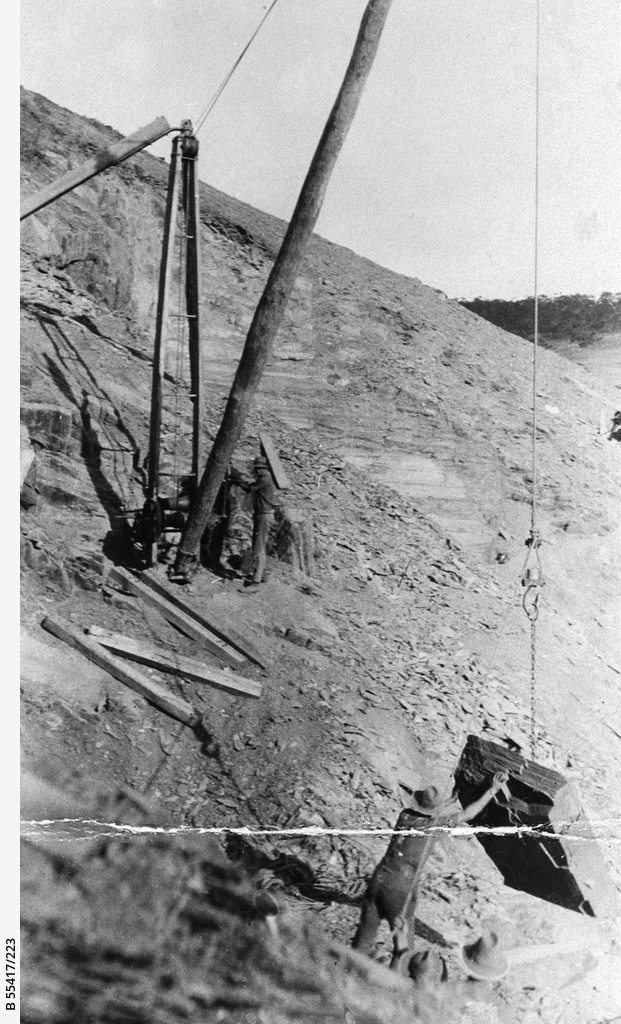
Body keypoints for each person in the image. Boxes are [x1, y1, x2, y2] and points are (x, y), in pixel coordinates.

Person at [351, 771, 509, 969]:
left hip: (379, 878)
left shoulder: (405, 816)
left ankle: (344, 973)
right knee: (403, 948)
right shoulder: (434, 824)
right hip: (400, 888)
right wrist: (492, 789)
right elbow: (469, 814)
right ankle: (391, 985)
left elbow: (432, 812)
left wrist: (452, 797)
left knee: (365, 934)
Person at [248, 456, 277, 584]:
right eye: (257, 468)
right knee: (258, 545)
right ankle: (260, 574)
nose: (258, 471)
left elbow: (249, 488)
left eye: (260, 468)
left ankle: (256, 581)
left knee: (259, 547)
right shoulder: (263, 478)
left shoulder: (265, 478)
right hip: (262, 514)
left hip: (264, 515)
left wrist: (237, 481)